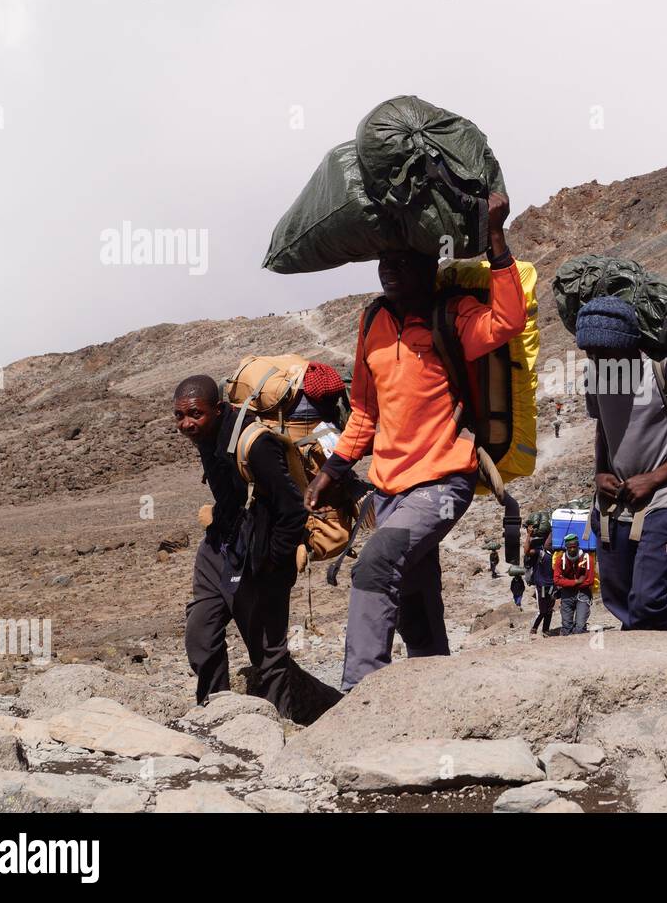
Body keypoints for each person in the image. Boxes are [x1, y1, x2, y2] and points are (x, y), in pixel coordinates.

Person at [305, 192, 526, 691]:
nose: (390, 270)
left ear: (430, 268)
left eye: (404, 261)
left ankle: (360, 692)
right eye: (386, 261)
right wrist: (329, 472)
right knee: (415, 598)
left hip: (442, 483)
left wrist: (495, 236)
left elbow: (508, 321)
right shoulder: (373, 322)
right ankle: (436, 690)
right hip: (387, 489)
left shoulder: (454, 316)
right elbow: (364, 411)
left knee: (375, 567)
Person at [580, 297, 667, 630]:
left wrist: (653, 479)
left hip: (666, 496)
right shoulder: (596, 373)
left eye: (604, 353)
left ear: (627, 346)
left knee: (646, 597)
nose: (597, 360)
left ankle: (666, 660)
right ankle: (647, 655)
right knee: (617, 595)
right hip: (618, 500)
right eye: (591, 354)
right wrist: (600, 471)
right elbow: (603, 427)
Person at [173, 375, 307, 717]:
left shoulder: (255, 444)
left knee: (267, 653)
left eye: (194, 414)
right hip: (221, 545)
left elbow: (293, 508)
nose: (186, 424)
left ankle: (281, 729)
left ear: (219, 410)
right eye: (179, 416)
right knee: (201, 635)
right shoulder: (207, 437)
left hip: (260, 557)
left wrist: (274, 563)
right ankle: (216, 714)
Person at [552, 533, 595, 635]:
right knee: (566, 628)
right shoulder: (560, 560)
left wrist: (566, 582)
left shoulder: (587, 559)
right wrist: (576, 582)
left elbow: (590, 580)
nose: (572, 549)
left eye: (574, 547)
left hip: (583, 594)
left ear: (578, 546)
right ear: (566, 547)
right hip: (567, 594)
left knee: (579, 628)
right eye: (569, 547)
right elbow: (556, 580)